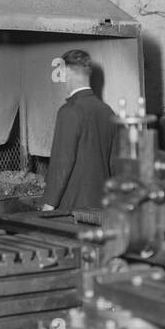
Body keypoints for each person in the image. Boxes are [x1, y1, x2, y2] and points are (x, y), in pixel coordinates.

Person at [40, 49, 118, 213]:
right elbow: (114, 163)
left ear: (67, 71)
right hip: (103, 203)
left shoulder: (69, 111)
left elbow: (62, 163)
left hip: (73, 207)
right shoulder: (107, 111)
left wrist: (49, 204)